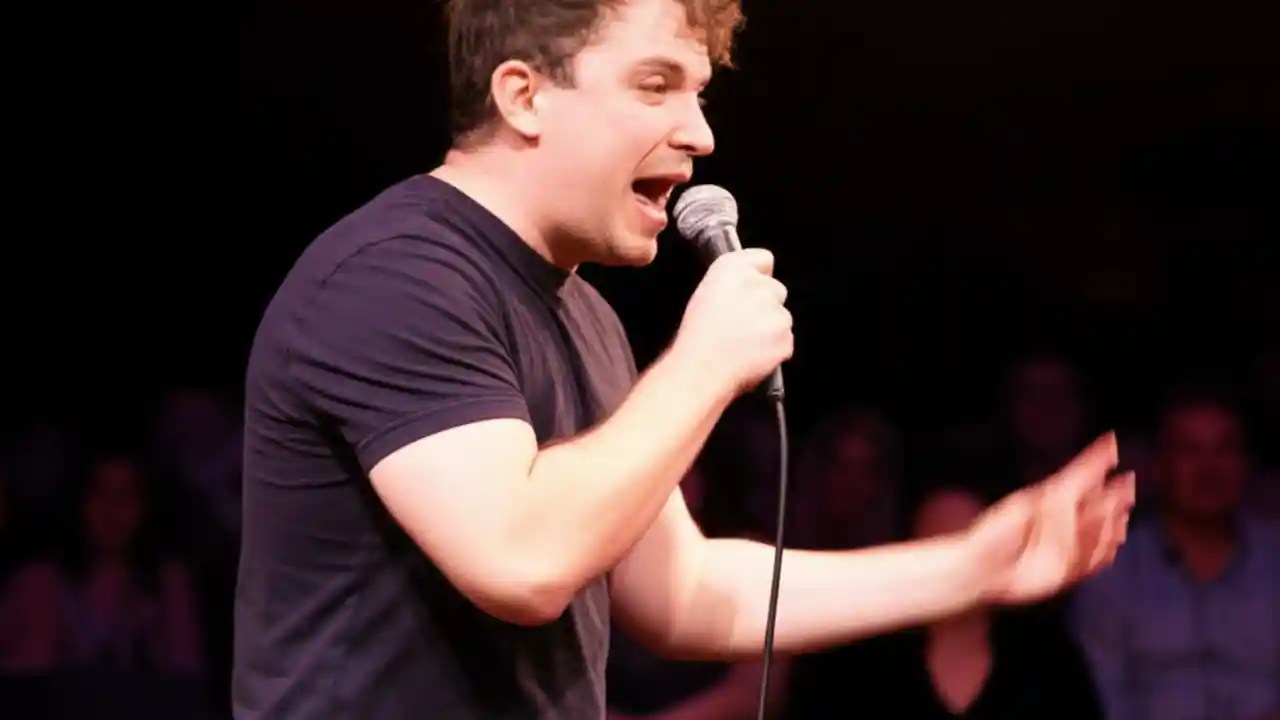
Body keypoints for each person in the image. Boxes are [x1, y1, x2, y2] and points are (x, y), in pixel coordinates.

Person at [230, 0, 1137, 718]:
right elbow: (521, 560)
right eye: (656, 85)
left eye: (699, 93)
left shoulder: (585, 316)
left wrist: (971, 568)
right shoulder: (396, 276)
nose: (701, 134)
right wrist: (705, 363)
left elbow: (682, 591)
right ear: (524, 96)